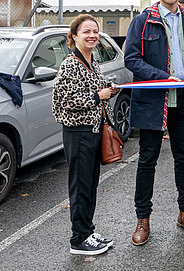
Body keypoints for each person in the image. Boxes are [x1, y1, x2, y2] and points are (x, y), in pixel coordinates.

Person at [124, 0, 184, 246]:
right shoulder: (143, 21)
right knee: (147, 161)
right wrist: (161, 77)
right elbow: (131, 59)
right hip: (153, 103)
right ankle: (143, 220)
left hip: (182, 101)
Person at [52, 14, 120, 255]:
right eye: (86, 32)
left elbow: (96, 92)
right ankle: (78, 239)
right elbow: (62, 101)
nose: (92, 36)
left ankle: (88, 231)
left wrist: (108, 92)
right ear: (74, 36)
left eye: (95, 31)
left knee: (90, 185)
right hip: (78, 132)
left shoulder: (93, 61)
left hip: (93, 131)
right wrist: (97, 97)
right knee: (80, 186)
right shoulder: (70, 64)